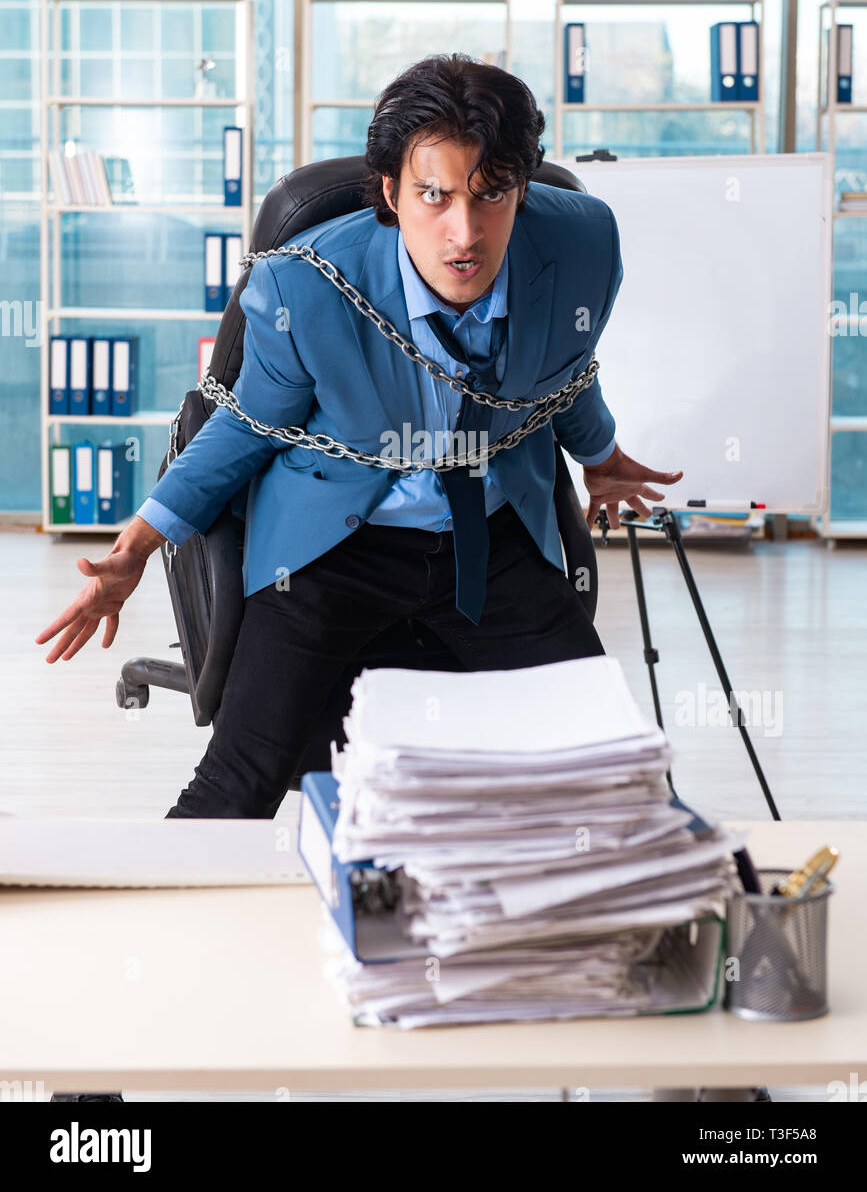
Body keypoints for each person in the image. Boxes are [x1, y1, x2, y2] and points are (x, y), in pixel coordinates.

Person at [36, 52, 683, 822]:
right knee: (239, 778)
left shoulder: (581, 245)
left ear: (523, 187)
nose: (463, 232)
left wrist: (601, 459)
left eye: (491, 195)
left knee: (615, 770)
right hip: (335, 546)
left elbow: (561, 371)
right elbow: (245, 425)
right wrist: (135, 547)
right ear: (390, 192)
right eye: (433, 196)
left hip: (490, 535)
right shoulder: (306, 283)